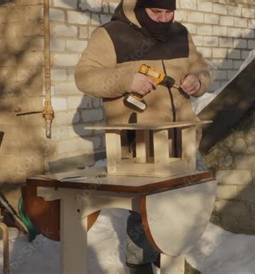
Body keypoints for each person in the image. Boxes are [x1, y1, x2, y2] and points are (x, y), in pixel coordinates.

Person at [75, 0, 210, 273]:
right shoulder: (110, 34)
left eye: (168, 12)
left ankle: (171, 256)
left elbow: (202, 68)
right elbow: (84, 77)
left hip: (182, 136)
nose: (163, 19)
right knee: (144, 209)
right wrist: (126, 79)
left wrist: (198, 80)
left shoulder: (179, 32)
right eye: (155, 12)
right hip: (138, 141)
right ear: (139, 8)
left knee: (191, 199)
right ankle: (139, 263)